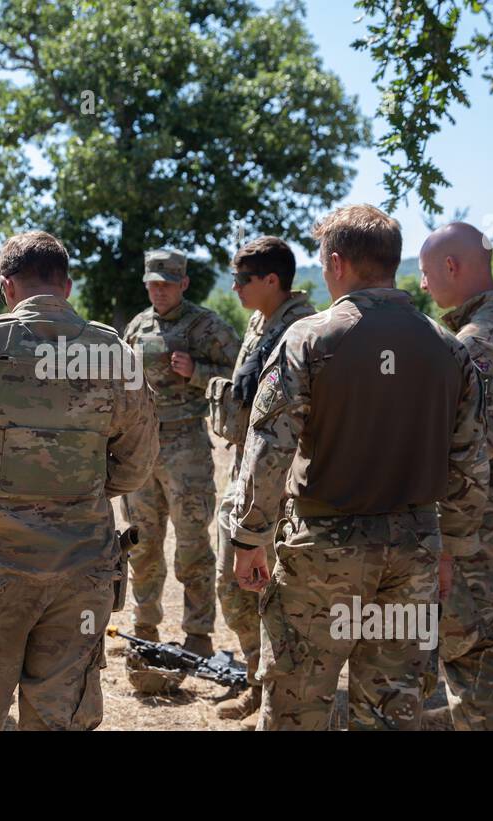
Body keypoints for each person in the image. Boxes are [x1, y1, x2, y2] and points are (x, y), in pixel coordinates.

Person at [230, 205, 489, 730]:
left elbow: (268, 447)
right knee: (393, 708)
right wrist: (451, 551)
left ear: (337, 262)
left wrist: (248, 536)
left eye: (325, 265)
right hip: (414, 550)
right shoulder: (449, 348)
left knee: (297, 705)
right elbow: (470, 463)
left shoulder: (310, 339)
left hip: (322, 552)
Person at [0, 230, 158, 730]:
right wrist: (74, 485)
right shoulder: (116, 353)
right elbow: (136, 465)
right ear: (66, 285)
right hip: (81, 574)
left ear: (6, 287)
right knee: (57, 719)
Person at [420, 221, 493, 730]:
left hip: (477, 523)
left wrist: (444, 538)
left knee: (473, 663)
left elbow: (474, 444)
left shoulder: (478, 339)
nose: (424, 286)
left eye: (427, 273)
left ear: (451, 266)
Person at [209, 236, 315, 727]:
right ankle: (256, 676)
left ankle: (275, 698)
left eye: (242, 279)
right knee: (232, 588)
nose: (233, 288)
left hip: (278, 485)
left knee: (272, 596)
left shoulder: (302, 329)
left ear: (272, 280)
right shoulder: (259, 323)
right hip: (242, 472)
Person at [122, 249, 240, 660]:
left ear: (183, 284)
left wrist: (199, 373)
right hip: (142, 448)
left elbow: (247, 372)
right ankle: (145, 629)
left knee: (191, 544)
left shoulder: (206, 326)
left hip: (186, 447)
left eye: (166, 284)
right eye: (152, 284)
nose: (158, 291)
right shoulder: (137, 326)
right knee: (142, 544)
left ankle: (198, 635)